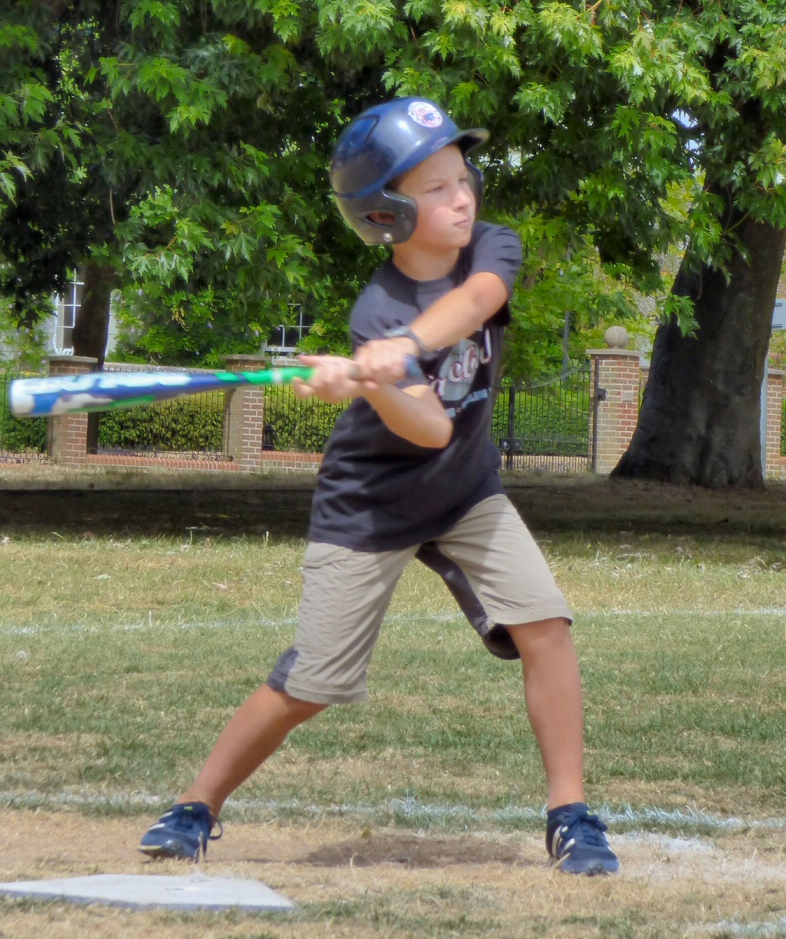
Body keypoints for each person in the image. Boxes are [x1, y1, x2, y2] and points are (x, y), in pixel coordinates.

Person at [138, 97, 619, 875]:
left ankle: (571, 814)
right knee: (315, 681)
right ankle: (196, 804)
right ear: (386, 213)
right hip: (370, 504)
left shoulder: (489, 248)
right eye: (434, 189)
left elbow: (477, 302)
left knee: (546, 625)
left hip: (465, 492)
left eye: (462, 179)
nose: (461, 197)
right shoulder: (375, 310)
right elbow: (426, 427)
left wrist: (403, 350)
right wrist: (369, 382)